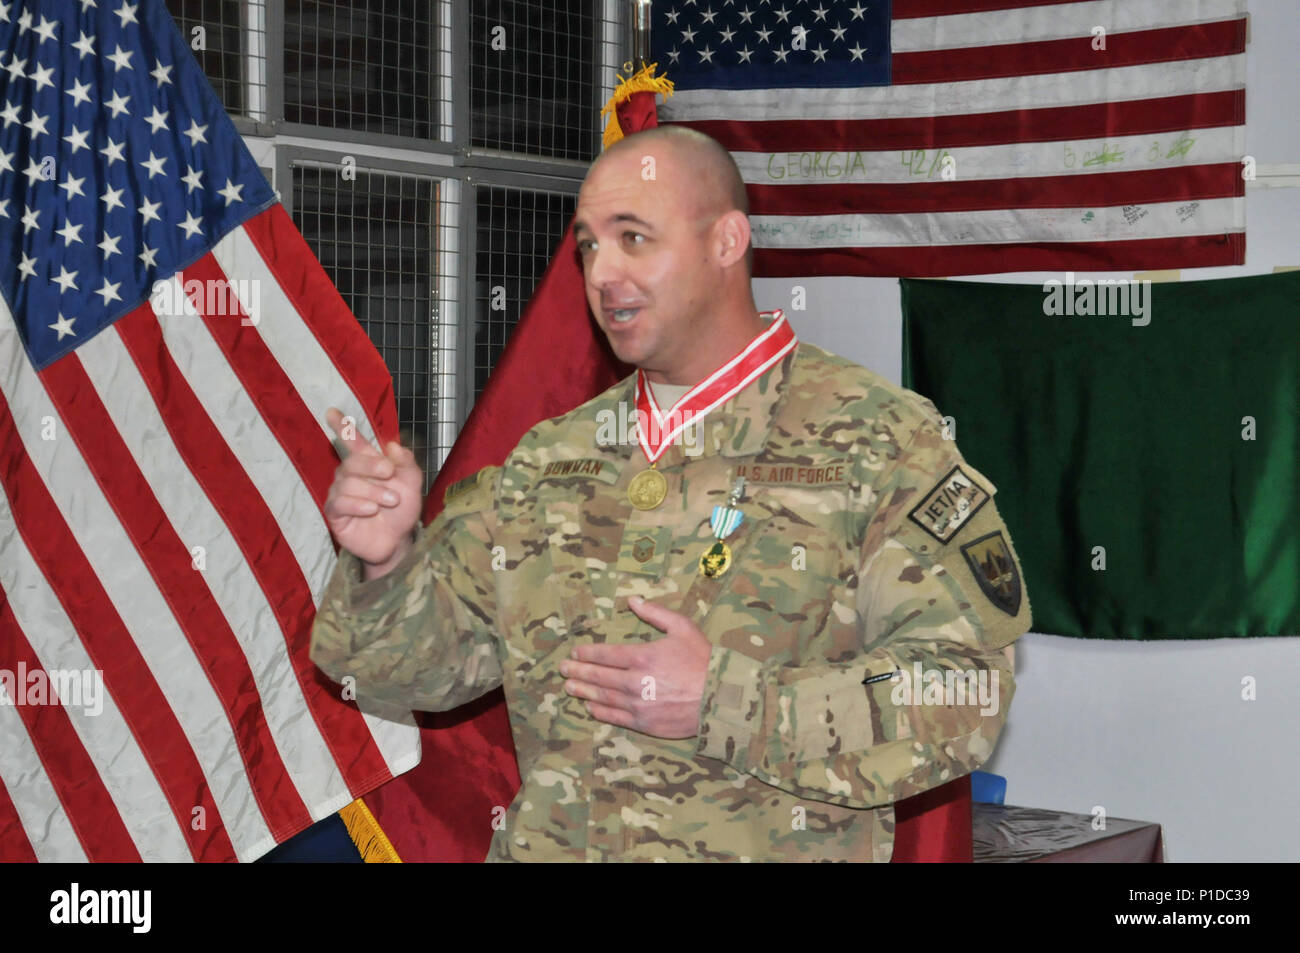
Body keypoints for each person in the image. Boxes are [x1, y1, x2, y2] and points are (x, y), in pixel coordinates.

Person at [310, 125, 1032, 861]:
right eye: (589, 244)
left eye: (634, 238)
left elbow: (963, 695)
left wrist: (726, 701)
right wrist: (386, 562)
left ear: (727, 241)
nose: (602, 273)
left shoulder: (878, 442)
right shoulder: (550, 458)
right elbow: (404, 674)